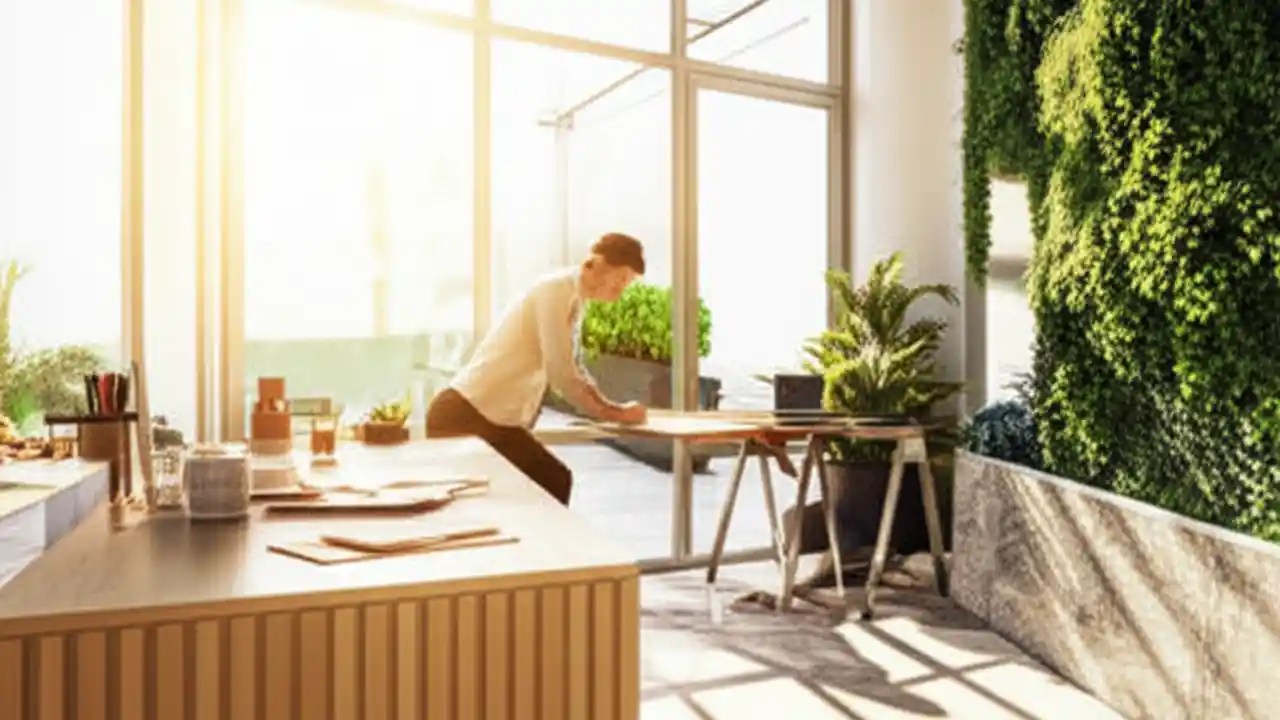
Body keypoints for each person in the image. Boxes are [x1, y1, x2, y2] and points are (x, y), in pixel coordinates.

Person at [425, 232, 649, 505]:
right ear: (599, 264)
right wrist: (615, 414)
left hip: (494, 422)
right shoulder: (554, 291)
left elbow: (575, 370)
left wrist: (614, 409)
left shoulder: (574, 300)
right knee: (550, 480)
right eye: (621, 278)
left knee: (548, 481)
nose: (622, 289)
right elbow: (562, 375)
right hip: (464, 415)